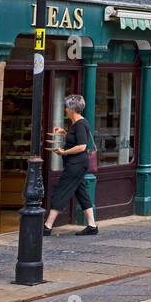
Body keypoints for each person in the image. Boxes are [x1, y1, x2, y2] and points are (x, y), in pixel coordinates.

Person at [44, 94, 98, 236]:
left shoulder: (80, 124)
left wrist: (64, 152)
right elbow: (77, 139)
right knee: (81, 193)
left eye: (67, 107)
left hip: (76, 164)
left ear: (72, 109)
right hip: (77, 164)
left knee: (61, 191)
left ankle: (47, 226)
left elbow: (81, 146)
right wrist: (65, 133)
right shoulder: (79, 123)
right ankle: (92, 226)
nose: (65, 110)